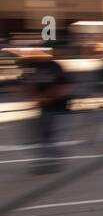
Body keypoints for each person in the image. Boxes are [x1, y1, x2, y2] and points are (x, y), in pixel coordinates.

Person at [26, 45, 71, 173]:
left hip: (58, 106)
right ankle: (49, 160)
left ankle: (50, 160)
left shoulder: (54, 66)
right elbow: (30, 84)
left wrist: (45, 98)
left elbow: (61, 86)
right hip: (44, 106)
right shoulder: (33, 67)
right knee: (45, 134)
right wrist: (34, 97)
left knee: (49, 134)